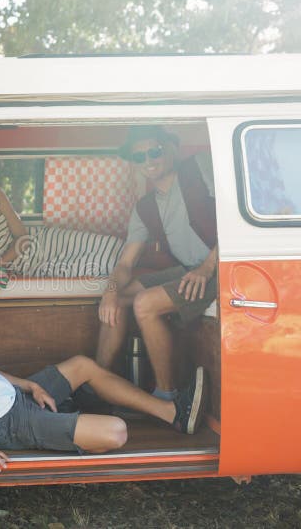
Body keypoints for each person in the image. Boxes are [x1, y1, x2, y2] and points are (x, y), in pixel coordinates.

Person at [0, 227, 208, 472]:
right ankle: (58, 425)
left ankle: (171, 412)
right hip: (2, 423)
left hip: (10, 397)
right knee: (116, 432)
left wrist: (28, 385)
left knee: (83, 365)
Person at [96, 126, 217, 402]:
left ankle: (167, 398)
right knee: (118, 298)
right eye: (139, 157)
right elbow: (125, 264)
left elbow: (235, 220)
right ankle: (99, 384)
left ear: (171, 149)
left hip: (224, 266)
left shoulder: (200, 167)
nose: (148, 161)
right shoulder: (145, 207)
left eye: (155, 151)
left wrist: (207, 268)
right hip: (189, 270)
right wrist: (110, 292)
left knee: (145, 303)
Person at [0, 135, 123, 278]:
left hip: (43, 243)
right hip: (32, 265)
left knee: (112, 247)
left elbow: (23, 237)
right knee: (101, 266)